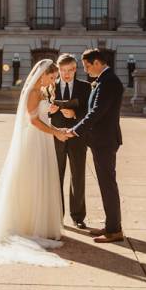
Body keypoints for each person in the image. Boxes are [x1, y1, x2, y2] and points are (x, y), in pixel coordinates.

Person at [0, 59, 70, 266]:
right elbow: (33, 121)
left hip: (43, 139)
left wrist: (50, 112)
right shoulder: (32, 92)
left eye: (54, 78)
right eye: (51, 77)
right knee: (33, 179)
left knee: (42, 178)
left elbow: (40, 114)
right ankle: (29, 225)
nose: (53, 81)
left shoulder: (41, 92)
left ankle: (40, 224)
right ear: (42, 74)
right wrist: (56, 132)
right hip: (34, 141)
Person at [66, 48, 125, 244]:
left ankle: (114, 230)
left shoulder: (109, 82)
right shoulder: (104, 80)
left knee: (108, 184)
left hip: (105, 141)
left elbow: (97, 112)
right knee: (105, 183)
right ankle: (111, 225)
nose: (85, 70)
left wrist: (75, 130)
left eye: (87, 66)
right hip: (101, 140)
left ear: (98, 63)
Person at [48, 52, 91, 229]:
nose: (66, 74)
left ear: (75, 69)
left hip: (77, 138)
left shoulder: (85, 87)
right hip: (55, 137)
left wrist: (74, 114)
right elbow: (39, 112)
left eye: (70, 70)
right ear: (58, 69)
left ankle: (78, 216)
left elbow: (90, 112)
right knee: (55, 177)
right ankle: (57, 215)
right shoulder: (50, 87)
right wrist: (49, 111)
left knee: (78, 177)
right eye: (63, 70)